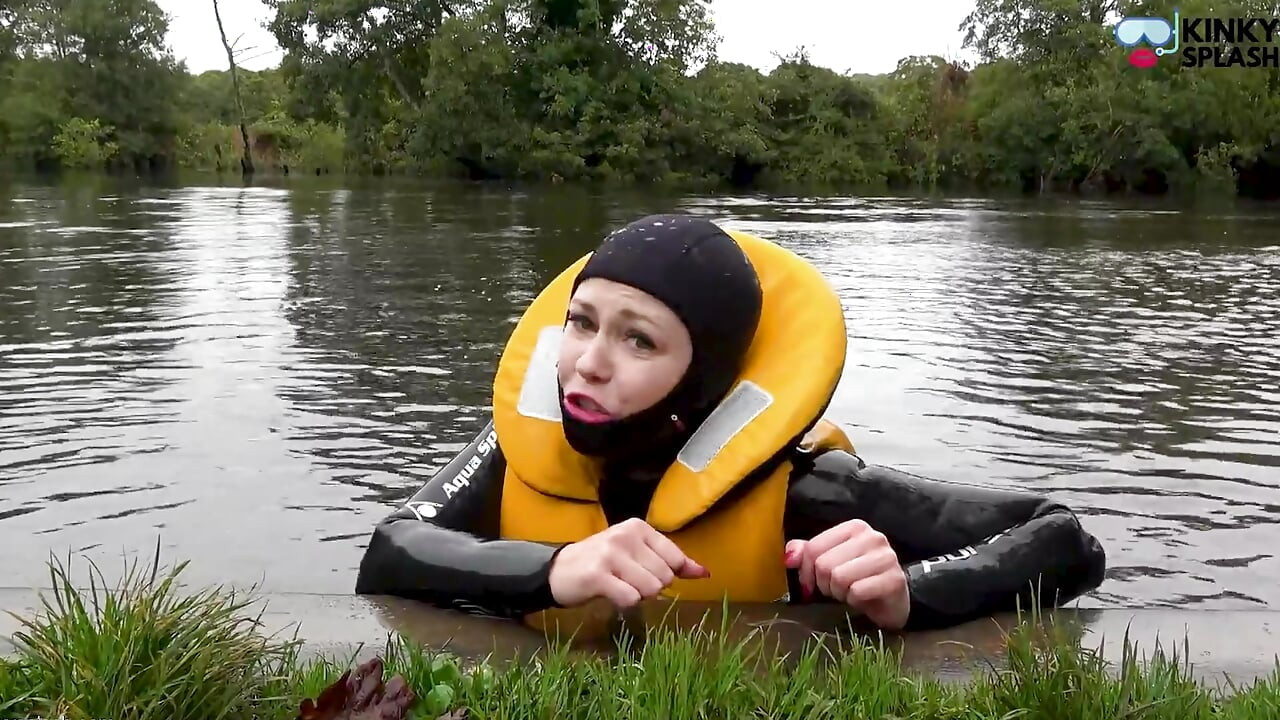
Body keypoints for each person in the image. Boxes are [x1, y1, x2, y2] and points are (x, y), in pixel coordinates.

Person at [355, 214, 1107, 632]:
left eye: (638, 340)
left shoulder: (805, 485)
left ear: (704, 379)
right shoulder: (523, 446)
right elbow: (392, 547)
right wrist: (553, 570)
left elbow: (1061, 535)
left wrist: (908, 592)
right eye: (581, 323)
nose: (588, 364)